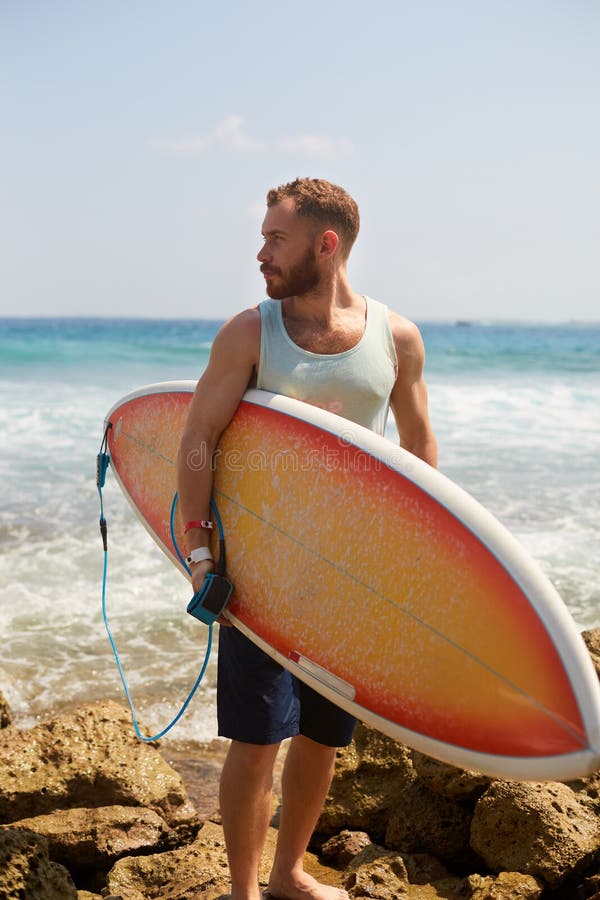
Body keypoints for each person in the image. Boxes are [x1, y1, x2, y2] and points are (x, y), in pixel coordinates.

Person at [177, 178, 438, 900]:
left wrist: (424, 561)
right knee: (258, 738)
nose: (260, 252)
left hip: (354, 580)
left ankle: (290, 871)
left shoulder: (397, 338)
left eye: (276, 238)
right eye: (263, 236)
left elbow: (418, 450)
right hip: (259, 574)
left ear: (327, 245)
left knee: (325, 736)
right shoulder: (248, 332)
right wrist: (199, 553)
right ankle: (242, 889)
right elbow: (198, 436)